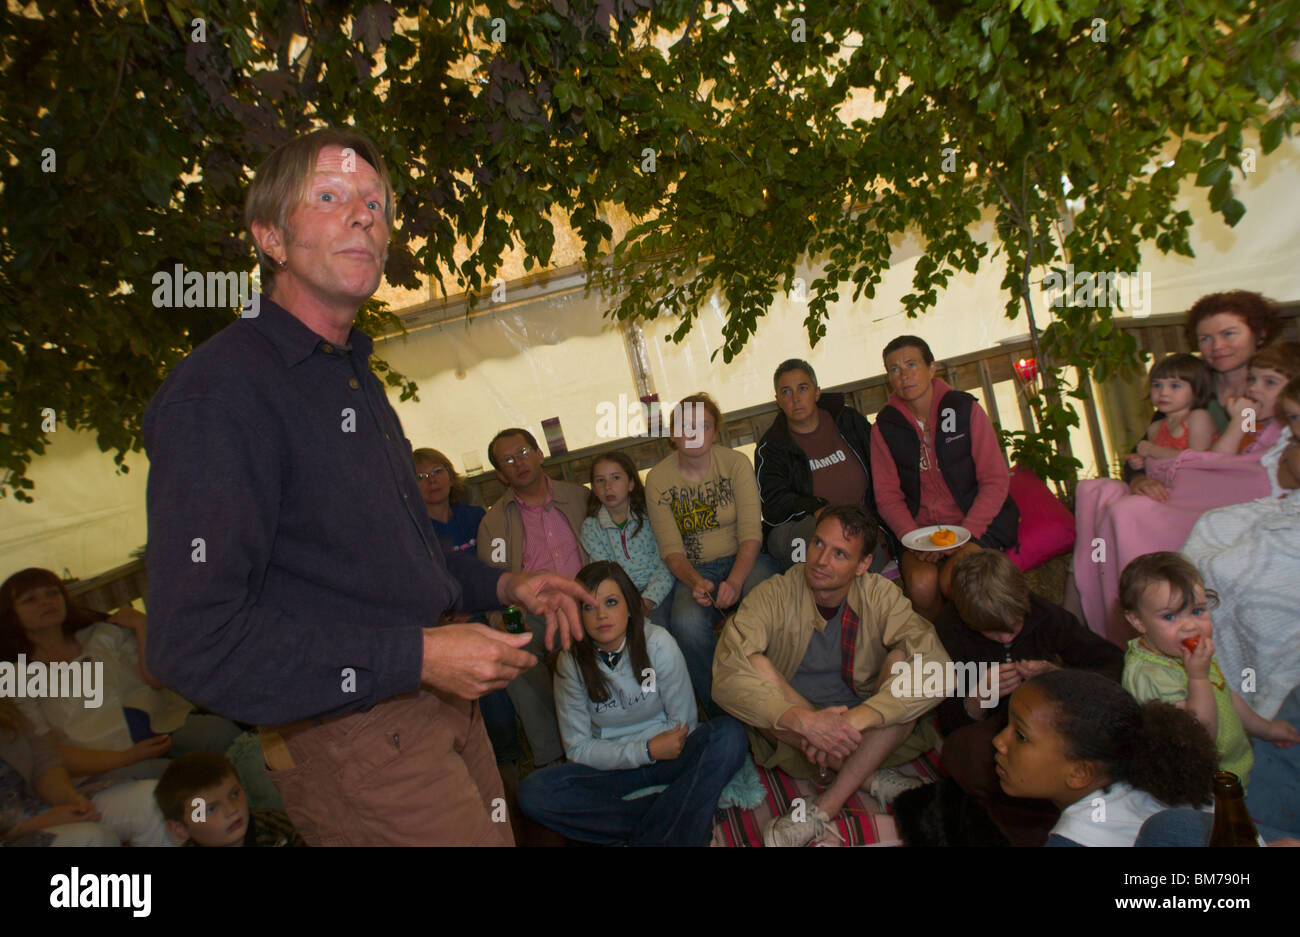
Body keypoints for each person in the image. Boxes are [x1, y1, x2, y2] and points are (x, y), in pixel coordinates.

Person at [143, 128, 592, 846]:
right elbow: (191, 640)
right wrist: (419, 655)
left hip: (445, 706)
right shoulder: (220, 394)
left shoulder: (352, 371)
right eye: (330, 196)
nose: (365, 215)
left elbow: (399, 560)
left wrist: (508, 586)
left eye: (377, 204)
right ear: (270, 236)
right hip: (355, 737)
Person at [711, 505, 951, 846]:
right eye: (818, 545)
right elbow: (726, 672)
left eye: (840, 553)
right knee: (752, 664)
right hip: (797, 733)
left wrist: (853, 721)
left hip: (865, 728)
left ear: (864, 564)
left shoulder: (880, 595)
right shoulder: (774, 593)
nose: (821, 560)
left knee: (904, 663)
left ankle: (826, 805)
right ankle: (870, 778)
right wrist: (803, 720)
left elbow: (937, 667)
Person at [1073, 341, 1300, 641]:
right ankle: (1115, 622)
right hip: (1202, 493)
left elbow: (1230, 466)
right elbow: (1224, 456)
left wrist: (1155, 454)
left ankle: (1150, 619)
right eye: (1253, 380)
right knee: (1099, 495)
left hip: (1228, 499)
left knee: (1127, 512)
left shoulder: (1282, 432)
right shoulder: (1248, 421)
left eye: (1269, 382)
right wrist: (1144, 470)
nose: (1256, 388)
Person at [516, 562, 748, 845]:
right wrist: (644, 750)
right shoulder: (571, 663)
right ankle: (672, 816)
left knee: (729, 735)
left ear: (629, 606)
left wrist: (658, 750)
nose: (601, 614)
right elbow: (578, 749)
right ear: (578, 614)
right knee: (534, 792)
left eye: (611, 602)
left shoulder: (659, 644)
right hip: (612, 769)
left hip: (670, 759)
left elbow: (682, 727)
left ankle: (648, 826)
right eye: (588, 607)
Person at [932, 549, 1124, 846]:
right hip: (1000, 729)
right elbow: (947, 720)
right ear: (968, 620)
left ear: (1024, 600)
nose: (1007, 638)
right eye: (994, 633)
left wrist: (1060, 675)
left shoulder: (1045, 614)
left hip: (1053, 725)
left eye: (1015, 626)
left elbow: (1114, 664)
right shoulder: (949, 631)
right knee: (961, 753)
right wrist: (976, 700)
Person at [1118, 552, 1300, 834]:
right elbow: (1199, 735)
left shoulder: (1186, 651)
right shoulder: (1151, 675)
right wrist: (1197, 676)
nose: (1190, 625)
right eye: (1170, 616)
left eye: (1198, 611)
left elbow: (1223, 694)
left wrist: (1266, 728)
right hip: (1204, 792)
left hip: (1235, 768)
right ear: (1138, 622)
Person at [0, 568, 240, 782]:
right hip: (104, 763)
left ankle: (262, 813)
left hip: (163, 727)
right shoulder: (17, 677)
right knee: (163, 776)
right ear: (11, 615)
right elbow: (50, 754)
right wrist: (127, 757)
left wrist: (142, 626)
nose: (46, 602)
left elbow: (156, 680)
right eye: (30, 599)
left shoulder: (101, 635)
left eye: (52, 593)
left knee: (217, 733)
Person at [645, 392, 778, 714]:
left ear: (715, 431)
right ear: (673, 434)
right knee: (687, 626)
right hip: (693, 570)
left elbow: (751, 532)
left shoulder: (735, 464)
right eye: (685, 426)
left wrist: (734, 580)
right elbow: (671, 549)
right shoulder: (658, 479)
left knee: (768, 601)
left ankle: (779, 694)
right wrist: (695, 582)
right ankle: (722, 711)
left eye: (702, 426)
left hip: (742, 558)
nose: (693, 433)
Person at [870, 335, 1018, 620]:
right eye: (894, 369)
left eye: (912, 365)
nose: (904, 375)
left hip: (972, 523)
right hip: (920, 532)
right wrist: (913, 539)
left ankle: (974, 656)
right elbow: (887, 497)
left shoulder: (965, 410)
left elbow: (996, 479)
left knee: (957, 581)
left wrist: (968, 533)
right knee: (922, 586)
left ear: (932, 368)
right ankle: (944, 652)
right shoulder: (885, 427)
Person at [1182, 376, 1300, 722]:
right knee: (1212, 525)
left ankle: (1245, 684)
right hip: (1286, 506)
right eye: (1292, 418)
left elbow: (1292, 473)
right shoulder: (1290, 444)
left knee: (1239, 572)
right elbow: (1286, 477)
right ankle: (1200, 657)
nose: (1296, 425)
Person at [993, 670, 1218, 847]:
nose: (999, 742)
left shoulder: (1078, 839)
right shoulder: (1163, 777)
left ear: (1080, 773)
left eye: (1021, 736)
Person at [477, 426, 592, 769]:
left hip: (587, 596)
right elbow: (492, 583)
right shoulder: (494, 522)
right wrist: (505, 619)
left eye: (524, 452)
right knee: (513, 656)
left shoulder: (579, 497)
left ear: (540, 454)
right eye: (508, 460)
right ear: (500, 474)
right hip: (535, 611)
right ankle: (554, 755)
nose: (519, 463)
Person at [755, 358, 876, 572]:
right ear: (778, 401)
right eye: (786, 392)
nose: (795, 399)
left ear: (817, 393)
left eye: (803, 388)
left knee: (853, 556)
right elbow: (773, 504)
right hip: (809, 531)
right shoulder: (772, 447)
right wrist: (816, 508)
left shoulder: (848, 421)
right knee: (812, 545)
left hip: (863, 524)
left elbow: (880, 465)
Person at [0, 700, 173, 847]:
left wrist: (67, 799)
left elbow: (43, 760)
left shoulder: (5, 706)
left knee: (151, 799)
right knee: (93, 837)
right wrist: (26, 826)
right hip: (10, 832)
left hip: (34, 806)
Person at [579, 452, 674, 627]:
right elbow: (606, 574)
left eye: (615, 478)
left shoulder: (650, 514)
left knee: (657, 626)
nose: (608, 486)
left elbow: (667, 560)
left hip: (661, 589)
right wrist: (628, 603)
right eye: (600, 480)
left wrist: (649, 599)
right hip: (621, 597)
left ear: (631, 483)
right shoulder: (591, 527)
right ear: (592, 487)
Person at [155, 752, 302, 847]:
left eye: (234, 794)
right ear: (179, 828)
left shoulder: (283, 829)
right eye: (211, 809)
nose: (232, 810)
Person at [1123, 353, 1218, 474]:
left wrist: (1152, 450)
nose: (1163, 392)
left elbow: (1197, 460)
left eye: (1175, 385)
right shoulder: (1155, 428)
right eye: (1157, 385)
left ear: (1197, 389)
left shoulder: (1198, 417)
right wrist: (1141, 461)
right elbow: (1158, 464)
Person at [415, 447, 484, 553]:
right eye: (421, 477)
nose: (432, 480)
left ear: (451, 478)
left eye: (437, 471)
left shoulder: (476, 516)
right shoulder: (416, 532)